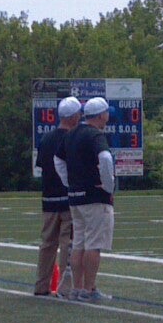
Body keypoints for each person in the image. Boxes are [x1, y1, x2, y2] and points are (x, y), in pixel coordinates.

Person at [53, 96, 115, 302]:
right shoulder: (95, 135)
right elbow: (105, 158)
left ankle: (77, 288)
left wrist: (69, 183)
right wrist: (108, 185)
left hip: (75, 198)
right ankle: (90, 289)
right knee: (93, 244)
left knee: (79, 242)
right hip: (94, 197)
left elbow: (58, 159)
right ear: (101, 115)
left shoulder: (71, 134)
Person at [33, 96, 80, 296]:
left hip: (49, 199)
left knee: (47, 244)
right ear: (74, 116)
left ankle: (41, 285)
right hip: (69, 199)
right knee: (68, 244)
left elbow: (43, 168)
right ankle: (65, 287)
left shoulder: (46, 139)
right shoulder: (74, 139)